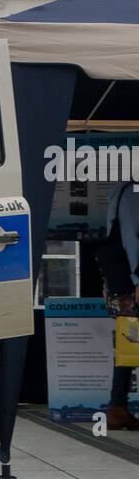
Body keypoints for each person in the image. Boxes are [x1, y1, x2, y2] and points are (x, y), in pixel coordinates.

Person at [100, 178, 139, 430]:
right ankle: (116, 406)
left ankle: (118, 406)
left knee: (129, 343)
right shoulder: (134, 194)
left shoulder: (121, 193)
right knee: (130, 343)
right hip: (131, 282)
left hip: (121, 283)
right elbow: (133, 239)